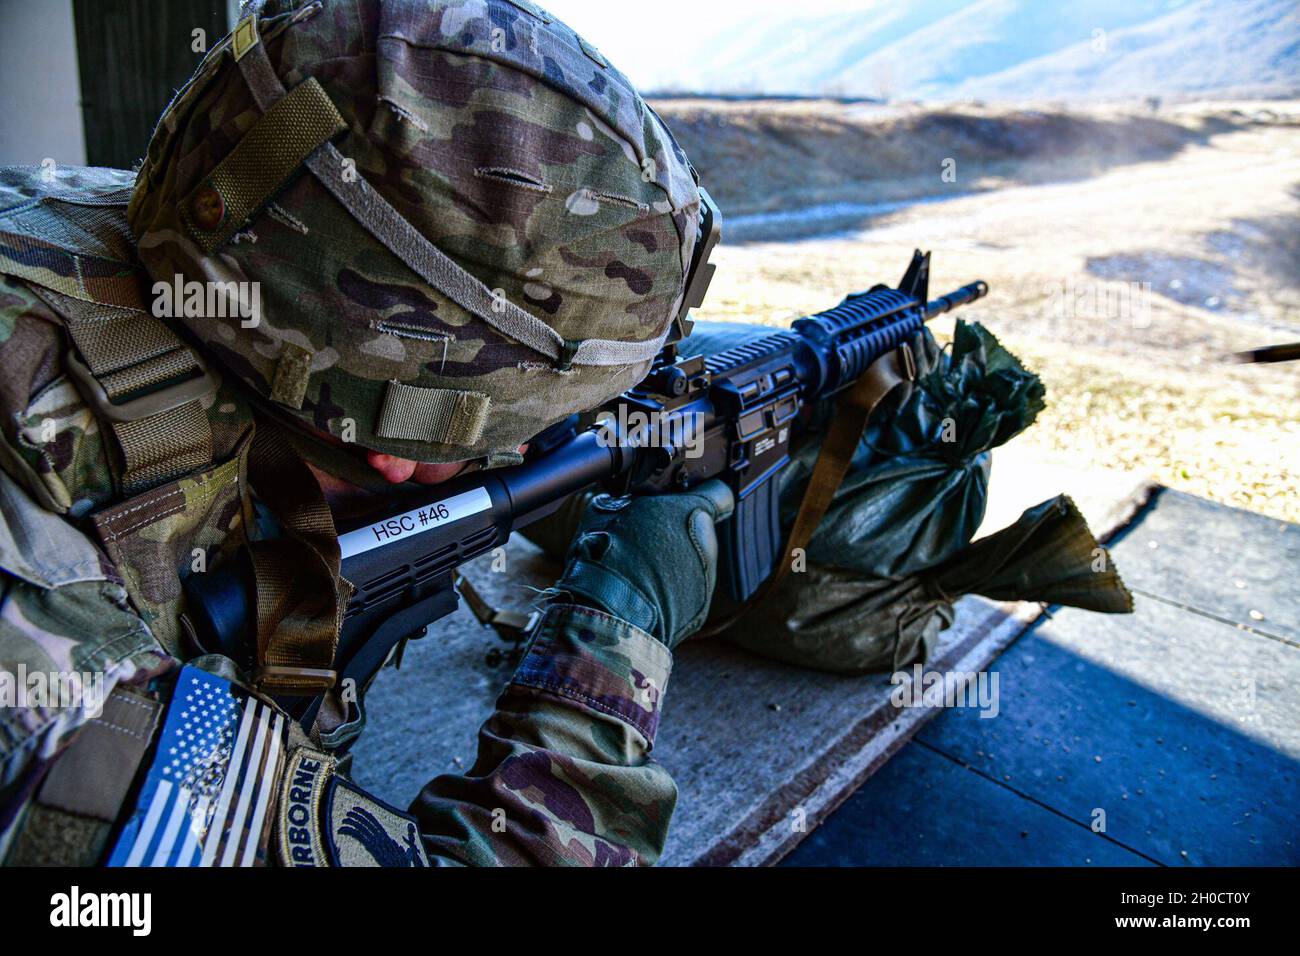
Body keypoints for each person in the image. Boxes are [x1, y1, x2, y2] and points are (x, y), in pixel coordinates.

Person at [0, 0, 1129, 867]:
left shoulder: (191, 231)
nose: (565, 439)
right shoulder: (49, 652)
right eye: (545, 424)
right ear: (400, 447)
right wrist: (615, 626)